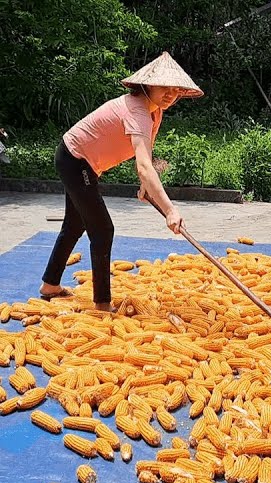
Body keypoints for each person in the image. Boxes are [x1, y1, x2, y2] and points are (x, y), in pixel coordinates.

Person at [39, 52, 202, 312]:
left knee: (74, 224)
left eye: (176, 89)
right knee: (103, 229)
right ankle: (102, 303)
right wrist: (170, 209)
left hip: (83, 163)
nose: (172, 94)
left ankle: (50, 285)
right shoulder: (137, 110)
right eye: (165, 87)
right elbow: (144, 166)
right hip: (74, 158)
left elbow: (145, 157)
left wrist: (146, 186)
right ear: (147, 85)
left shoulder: (154, 113)